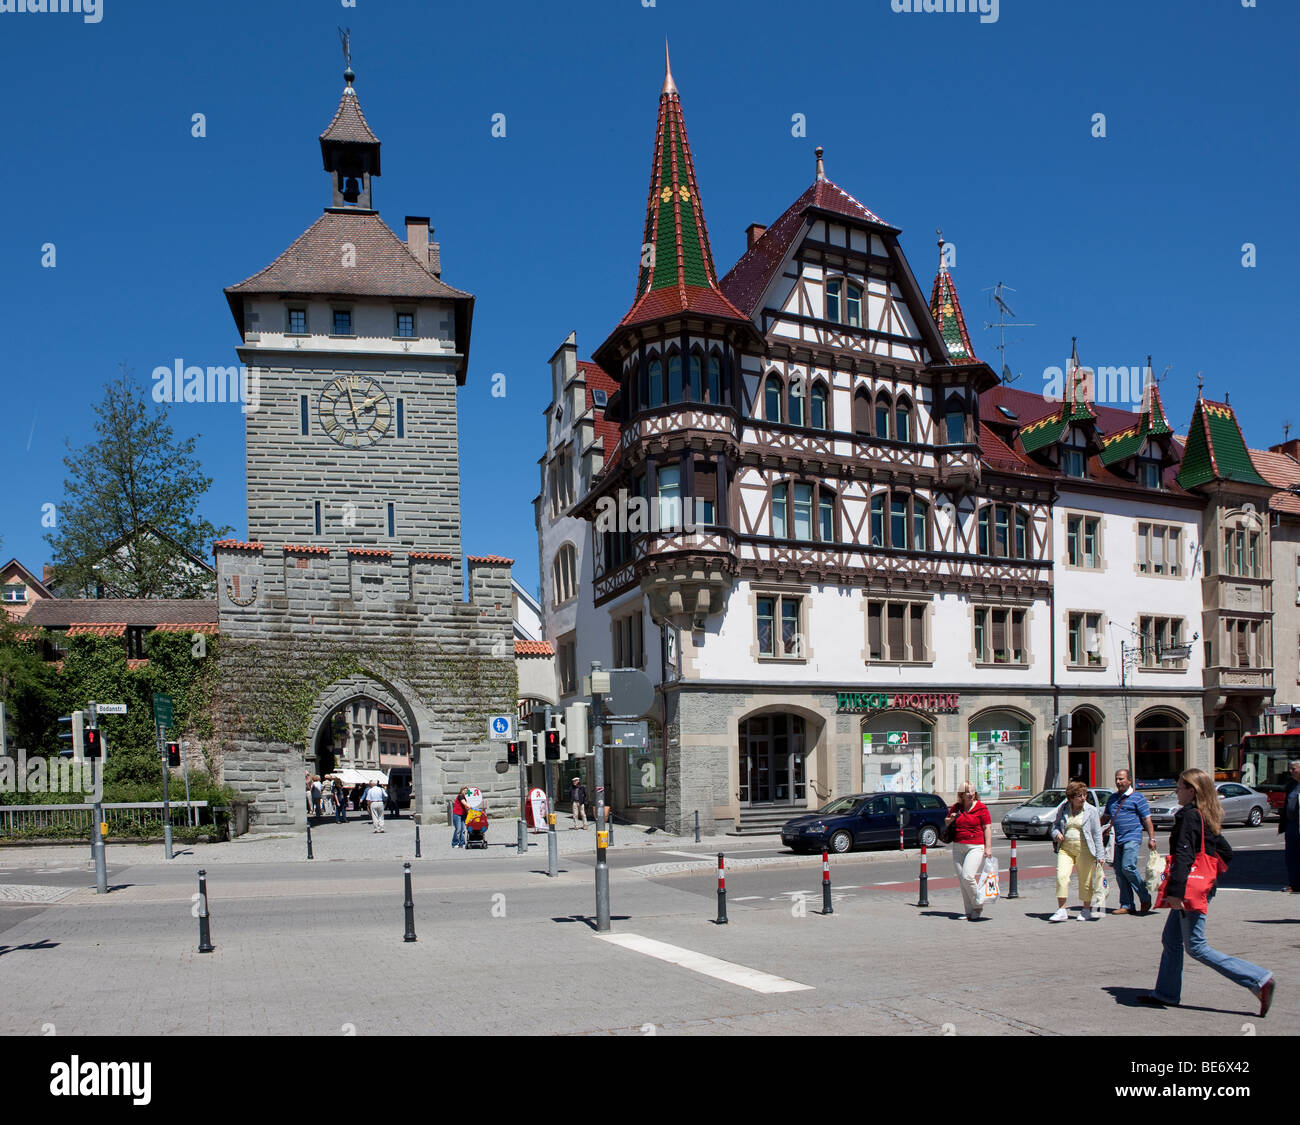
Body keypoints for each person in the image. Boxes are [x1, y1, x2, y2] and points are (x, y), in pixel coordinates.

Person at [1141, 768, 1275, 1017]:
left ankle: (1258, 979)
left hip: (1188, 892)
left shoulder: (1190, 816)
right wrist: (1207, 877)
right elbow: (1225, 852)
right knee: (1171, 940)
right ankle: (1166, 993)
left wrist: (1177, 891)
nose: (1176, 791)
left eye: (1180, 787)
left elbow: (1183, 854)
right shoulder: (1206, 816)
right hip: (1198, 886)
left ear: (1192, 790)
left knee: (1196, 946)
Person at [1101, 768, 1158, 915]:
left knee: (1128, 867)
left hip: (1132, 837)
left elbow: (1147, 819)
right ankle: (1127, 904)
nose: (1118, 782)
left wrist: (1152, 838)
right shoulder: (1112, 799)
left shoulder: (1138, 797)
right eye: (1117, 779)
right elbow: (1105, 818)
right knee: (1119, 871)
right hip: (1117, 839)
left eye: (1121, 779)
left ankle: (1145, 897)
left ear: (1129, 780)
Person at [1050, 780, 1106, 922]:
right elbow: (1055, 826)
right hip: (1066, 849)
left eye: (1084, 795)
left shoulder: (1091, 811)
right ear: (1071, 798)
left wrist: (1100, 855)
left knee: (1085, 880)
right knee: (1061, 876)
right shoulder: (1063, 808)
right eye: (1079, 796)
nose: (1083, 798)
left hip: (1085, 849)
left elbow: (1097, 834)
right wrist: (1057, 834)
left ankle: (1086, 909)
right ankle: (1062, 909)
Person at [944, 780, 993, 921]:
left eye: (972, 791)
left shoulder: (981, 808)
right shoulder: (957, 807)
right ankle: (969, 911)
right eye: (967, 792)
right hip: (958, 846)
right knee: (962, 880)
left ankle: (978, 904)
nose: (971, 794)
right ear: (961, 795)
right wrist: (951, 819)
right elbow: (946, 821)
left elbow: (987, 828)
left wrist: (988, 847)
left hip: (975, 846)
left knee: (967, 876)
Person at [1280, 760, 1300, 893]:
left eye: (1294, 769)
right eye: (1290, 769)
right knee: (1291, 857)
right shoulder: (1291, 785)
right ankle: (1294, 884)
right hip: (1291, 824)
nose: (1291, 771)